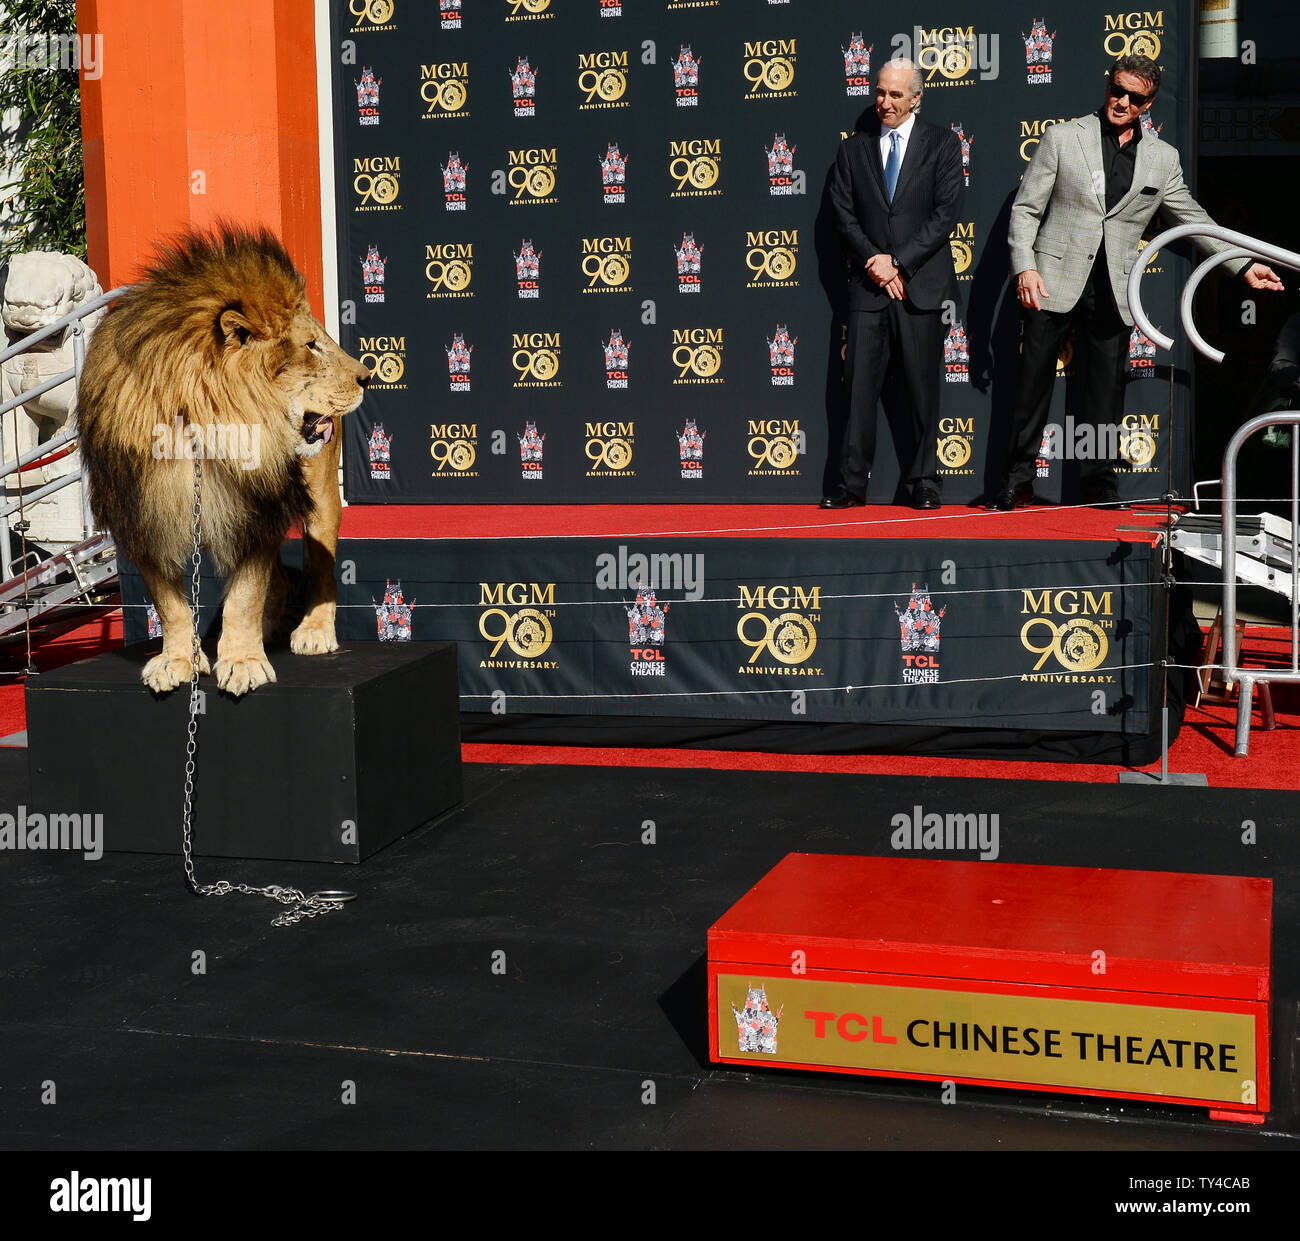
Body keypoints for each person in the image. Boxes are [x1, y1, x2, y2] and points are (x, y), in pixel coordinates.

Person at [992, 54, 1284, 511]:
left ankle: (1099, 486)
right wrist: (1025, 267)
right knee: (1031, 387)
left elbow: (1193, 220)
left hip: (1115, 286)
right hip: (1052, 278)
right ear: (1108, 85)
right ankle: (1016, 480)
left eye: (1134, 96)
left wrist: (1242, 266)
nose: (1121, 101)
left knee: (1106, 393)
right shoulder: (1064, 137)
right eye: (1117, 89)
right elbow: (1027, 209)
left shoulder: (1162, 160)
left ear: (1148, 104)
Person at [823, 58, 964, 510]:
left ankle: (924, 481)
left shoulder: (943, 144)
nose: (885, 102)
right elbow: (843, 214)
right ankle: (850, 484)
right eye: (880, 92)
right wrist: (874, 262)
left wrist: (899, 263)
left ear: (916, 98)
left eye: (896, 94)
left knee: (923, 391)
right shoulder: (852, 150)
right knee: (858, 388)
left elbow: (945, 214)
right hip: (867, 288)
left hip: (921, 287)